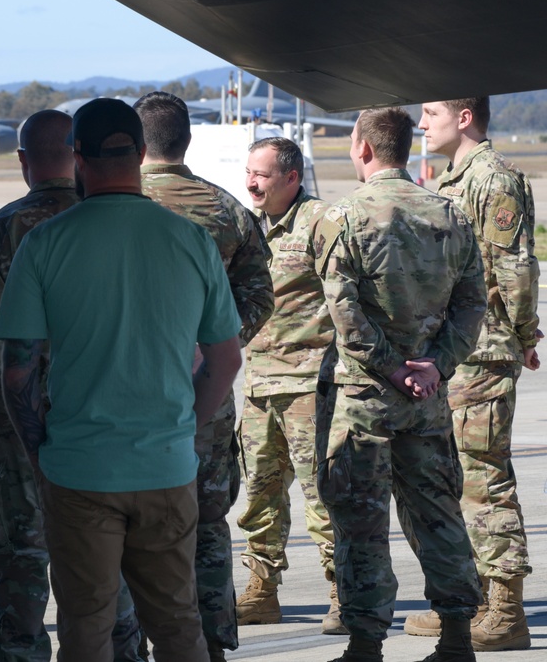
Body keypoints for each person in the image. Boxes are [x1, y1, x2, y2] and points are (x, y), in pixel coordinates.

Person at [0, 97, 242, 662]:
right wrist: (182, 430)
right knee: (179, 624)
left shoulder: (45, 242)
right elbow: (224, 360)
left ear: (78, 157)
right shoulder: (191, 240)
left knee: (86, 626)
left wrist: (40, 455)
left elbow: (17, 372)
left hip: (79, 470)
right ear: (140, 154)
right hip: (165, 466)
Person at [0, 110, 143, 661]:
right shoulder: (116, 223)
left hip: (19, 423)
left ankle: (20, 652)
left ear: (22, 161)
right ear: (76, 154)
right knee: (110, 555)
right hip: (105, 417)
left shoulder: (2, 230)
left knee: (18, 552)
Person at [313, 107, 488, 662]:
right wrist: (436, 365)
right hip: (428, 398)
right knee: (438, 512)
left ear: (363, 148)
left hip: (368, 401)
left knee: (361, 522)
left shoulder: (342, 217)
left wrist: (389, 367)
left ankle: (366, 643)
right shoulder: (450, 216)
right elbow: (472, 305)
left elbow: (344, 312)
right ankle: (458, 635)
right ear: (406, 149)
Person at [133, 90, 273, 661]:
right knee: (208, 529)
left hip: (130, 398)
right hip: (206, 400)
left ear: (138, 143)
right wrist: (211, 346)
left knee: (125, 532)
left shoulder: (114, 204)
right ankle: (212, 645)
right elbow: (260, 295)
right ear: (186, 141)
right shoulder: (228, 209)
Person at [405, 97, 539, 652]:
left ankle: (505, 610)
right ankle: (474, 601)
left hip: (482, 353)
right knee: (457, 479)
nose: (421, 123)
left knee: (484, 480)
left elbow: (515, 269)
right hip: (458, 352)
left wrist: (524, 335)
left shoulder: (495, 179)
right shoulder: (454, 179)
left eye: (431, 113)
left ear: (464, 117)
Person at [235, 137, 339, 632]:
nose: (251, 182)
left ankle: (343, 590)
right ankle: (261, 589)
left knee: (323, 494)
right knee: (259, 493)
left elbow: (348, 296)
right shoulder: (247, 227)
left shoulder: (320, 222)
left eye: (263, 174)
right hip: (258, 383)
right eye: (249, 172)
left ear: (291, 177)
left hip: (307, 386)